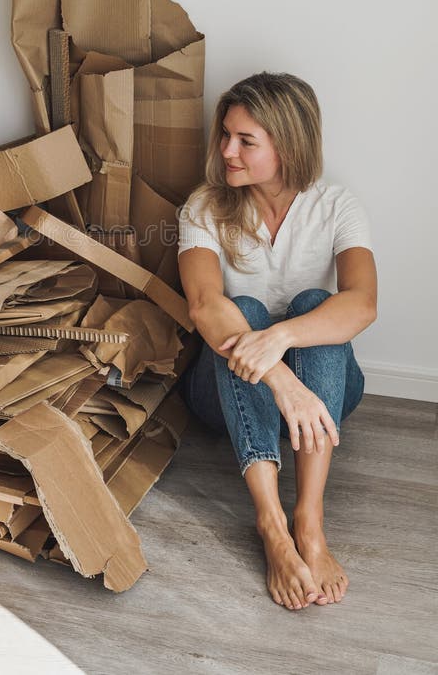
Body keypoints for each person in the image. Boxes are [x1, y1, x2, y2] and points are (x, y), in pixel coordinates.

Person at [177, 72, 377, 611]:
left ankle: (308, 520)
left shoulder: (336, 205)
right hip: (225, 396)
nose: (226, 151)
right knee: (238, 311)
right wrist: (279, 379)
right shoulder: (202, 207)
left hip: (323, 394)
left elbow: (362, 303)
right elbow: (203, 305)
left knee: (318, 303)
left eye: (245, 141)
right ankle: (271, 522)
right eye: (226, 135)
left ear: (288, 144)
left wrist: (284, 337)